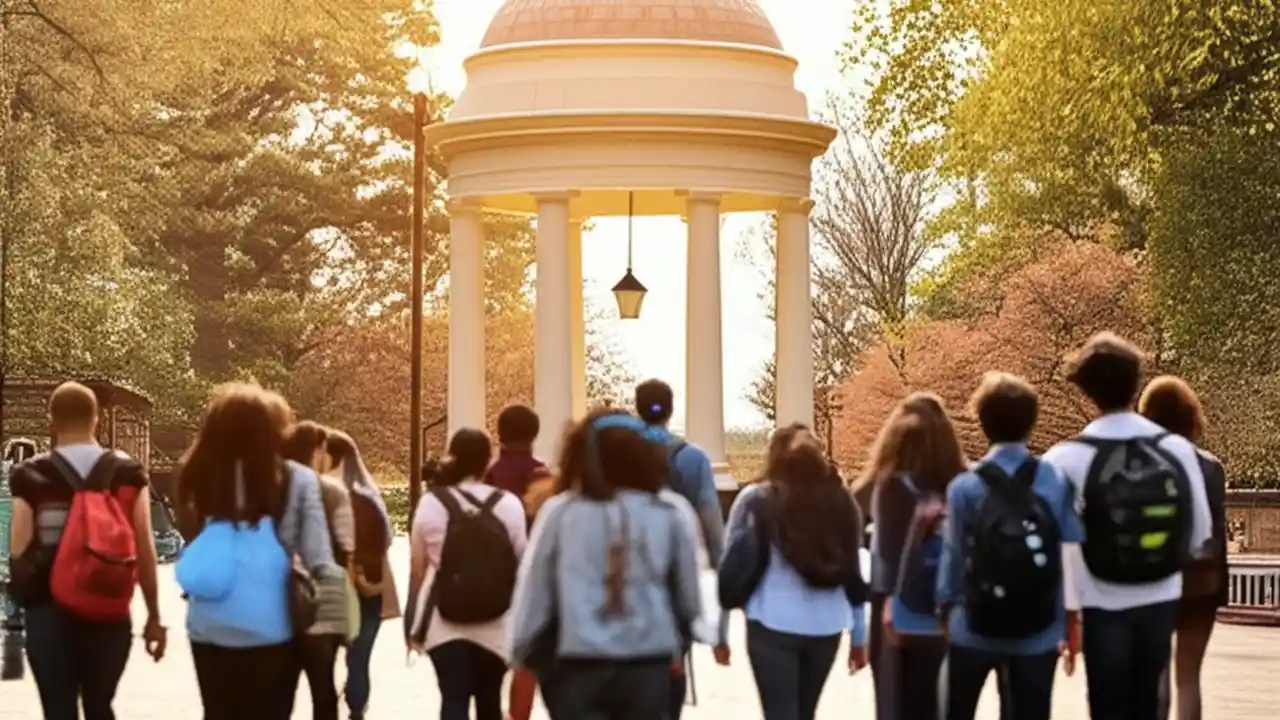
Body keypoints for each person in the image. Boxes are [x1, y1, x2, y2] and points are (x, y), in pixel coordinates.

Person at [1041, 334, 1212, 720]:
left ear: (1085, 389)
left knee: (1107, 701)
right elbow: (1199, 532)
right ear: (1137, 381)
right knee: (1149, 703)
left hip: (1099, 599)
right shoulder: (1177, 450)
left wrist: (1066, 614)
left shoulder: (1065, 458)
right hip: (1161, 592)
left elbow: (1055, 547)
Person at [510, 409, 703, 720]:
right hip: (648, 662)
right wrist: (681, 646)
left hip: (577, 661)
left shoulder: (560, 513)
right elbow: (689, 597)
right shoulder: (669, 512)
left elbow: (534, 593)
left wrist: (521, 652)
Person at [174, 383, 337, 720]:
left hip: (209, 619)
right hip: (272, 622)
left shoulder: (200, 475)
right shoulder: (298, 480)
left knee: (217, 713)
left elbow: (193, 536)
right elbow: (319, 557)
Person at [7, 381, 165, 720]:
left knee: (58, 710)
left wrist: (22, 610)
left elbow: (18, 550)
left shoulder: (31, 475)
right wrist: (153, 614)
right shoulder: (126, 473)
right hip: (107, 607)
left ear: (52, 420)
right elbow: (144, 548)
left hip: (48, 612)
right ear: (98, 419)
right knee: (99, 705)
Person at [936, 373, 1084, 720]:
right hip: (1038, 627)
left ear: (982, 423)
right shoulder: (1054, 480)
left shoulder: (964, 487)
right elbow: (1070, 551)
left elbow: (953, 556)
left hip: (971, 623)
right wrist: (1071, 620)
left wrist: (945, 610)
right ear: (1031, 423)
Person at [718, 423, 868, 720]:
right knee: (806, 712)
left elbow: (734, 564)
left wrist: (720, 633)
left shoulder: (757, 499)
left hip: (771, 622)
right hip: (827, 625)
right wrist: (859, 635)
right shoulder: (841, 501)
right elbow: (852, 570)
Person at [859, 392, 965, 720]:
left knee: (896, 705)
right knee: (940, 704)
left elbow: (882, 548)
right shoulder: (963, 482)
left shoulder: (887, 485)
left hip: (896, 609)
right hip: (950, 607)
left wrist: (890, 602)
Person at [408, 429, 527, 720]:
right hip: (497, 623)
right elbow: (522, 563)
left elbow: (417, 568)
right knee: (489, 701)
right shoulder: (508, 504)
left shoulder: (432, 503)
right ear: (489, 460)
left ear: (453, 456)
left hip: (443, 622)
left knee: (453, 699)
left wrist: (412, 626)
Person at [635, 379, 727, 717]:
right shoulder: (693, 458)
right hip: (672, 580)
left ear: (637, 408)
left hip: (620, 577)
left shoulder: (617, 452)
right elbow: (712, 525)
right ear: (670, 410)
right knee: (672, 668)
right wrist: (722, 581)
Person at [1141, 376, 1228, 720]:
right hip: (1201, 579)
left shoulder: (1141, 463)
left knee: (1156, 672)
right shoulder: (1211, 466)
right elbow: (1216, 530)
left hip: (1156, 577)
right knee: (1189, 677)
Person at [281, 421, 355, 720]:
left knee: (282, 686)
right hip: (323, 602)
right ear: (317, 450)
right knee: (323, 684)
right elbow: (348, 548)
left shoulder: (273, 487)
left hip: (280, 601)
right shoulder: (333, 492)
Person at [325, 429, 399, 720]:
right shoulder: (369, 497)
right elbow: (387, 541)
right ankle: (357, 707)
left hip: (329, 587)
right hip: (370, 587)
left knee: (324, 661)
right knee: (360, 658)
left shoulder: (321, 495)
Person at [485, 404, 551, 720]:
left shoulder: (487, 475)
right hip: (530, 577)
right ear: (534, 434)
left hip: (490, 576)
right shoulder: (544, 477)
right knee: (527, 659)